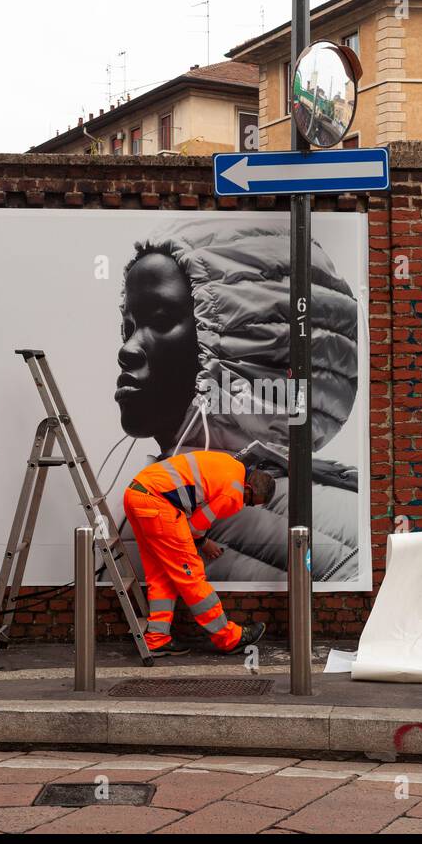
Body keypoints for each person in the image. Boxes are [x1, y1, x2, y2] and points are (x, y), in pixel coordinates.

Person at [115, 217, 363, 583]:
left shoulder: (344, 532)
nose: (127, 350)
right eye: (129, 327)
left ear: (264, 355)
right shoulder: (161, 487)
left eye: (162, 319)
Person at [124, 451, 275, 656]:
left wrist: (202, 539)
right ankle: (229, 638)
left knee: (161, 575)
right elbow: (195, 527)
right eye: (249, 501)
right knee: (191, 576)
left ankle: (157, 638)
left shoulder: (232, 465)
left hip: (136, 494)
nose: (245, 505)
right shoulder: (234, 493)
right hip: (159, 506)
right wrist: (204, 542)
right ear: (248, 488)